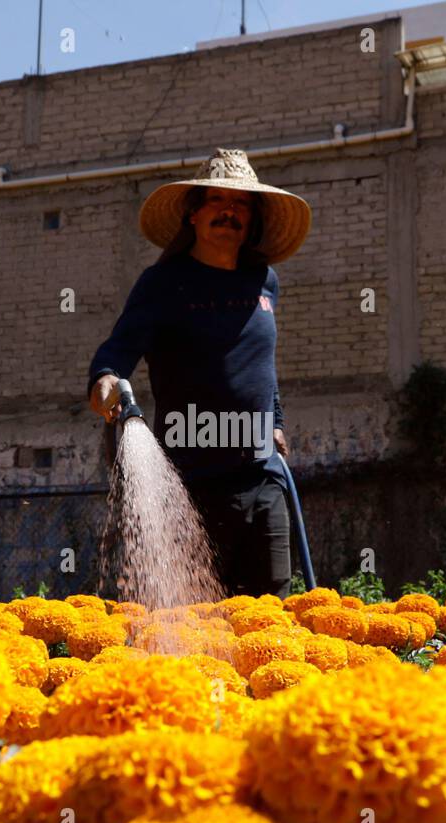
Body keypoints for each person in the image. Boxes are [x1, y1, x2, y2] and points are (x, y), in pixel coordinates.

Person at [86, 147, 312, 599]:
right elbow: (118, 350)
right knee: (195, 620)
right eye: (217, 200)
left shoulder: (263, 280)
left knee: (271, 615)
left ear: (252, 218)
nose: (229, 211)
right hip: (190, 482)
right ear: (193, 214)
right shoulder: (163, 284)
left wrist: (277, 421)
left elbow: (261, 363)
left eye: (241, 203)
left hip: (261, 475)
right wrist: (106, 380)